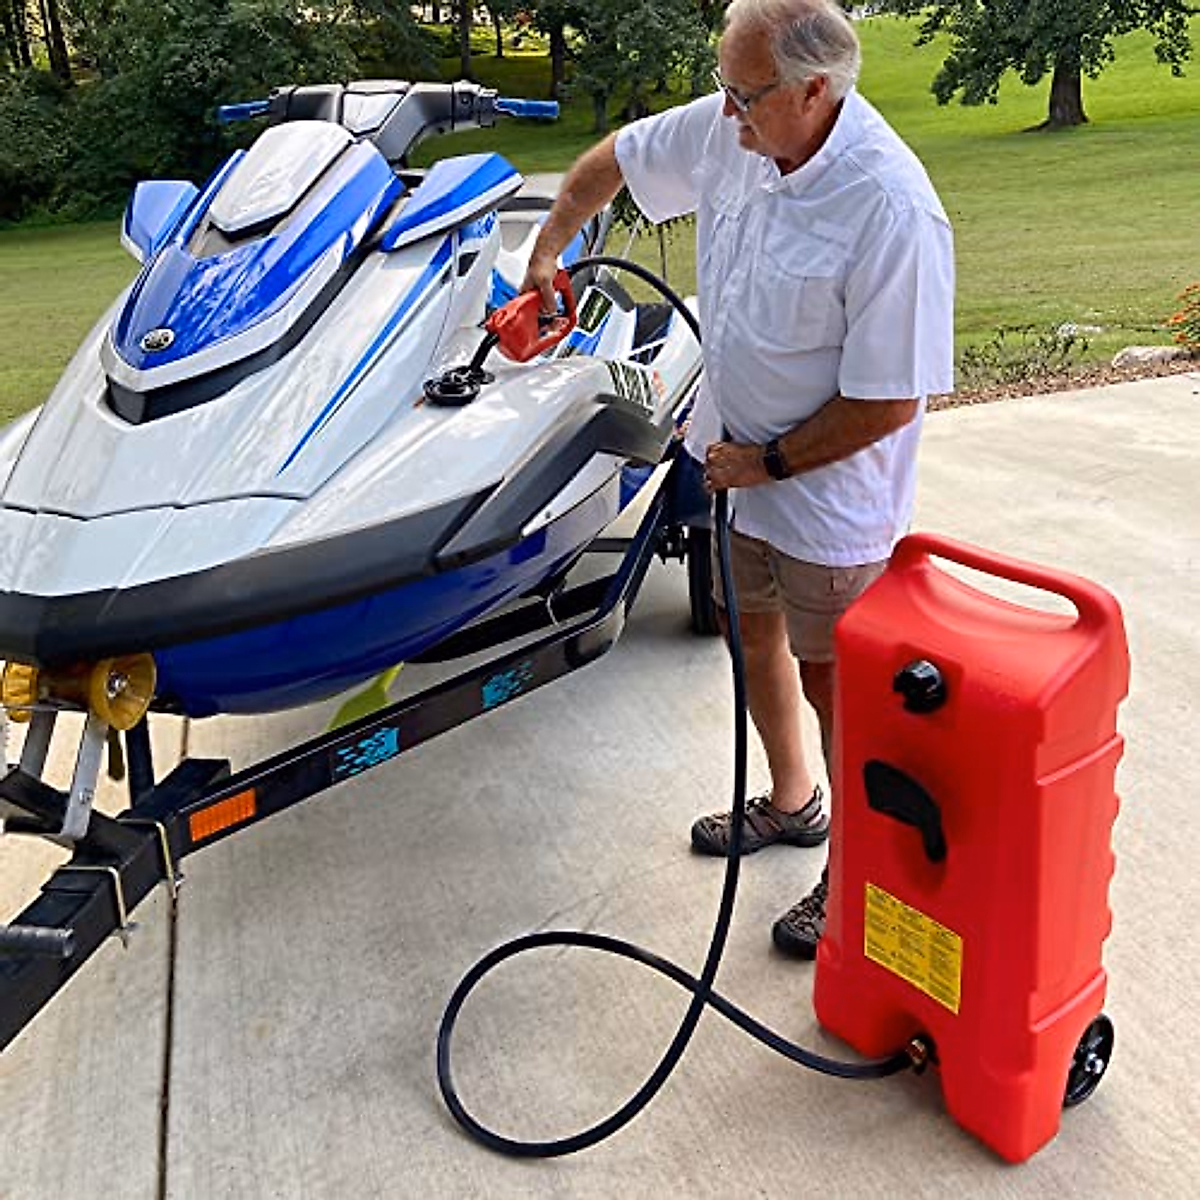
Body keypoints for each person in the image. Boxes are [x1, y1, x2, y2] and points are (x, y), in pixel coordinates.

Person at [521, 0, 954, 959]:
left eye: (744, 94)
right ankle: (793, 802)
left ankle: (858, 878)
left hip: (831, 499)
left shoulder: (890, 207)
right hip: (739, 466)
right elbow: (615, 164)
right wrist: (549, 247)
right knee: (751, 637)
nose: (725, 113)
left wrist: (770, 462)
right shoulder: (738, 128)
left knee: (837, 681)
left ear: (814, 89)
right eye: (724, 86)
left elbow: (890, 400)